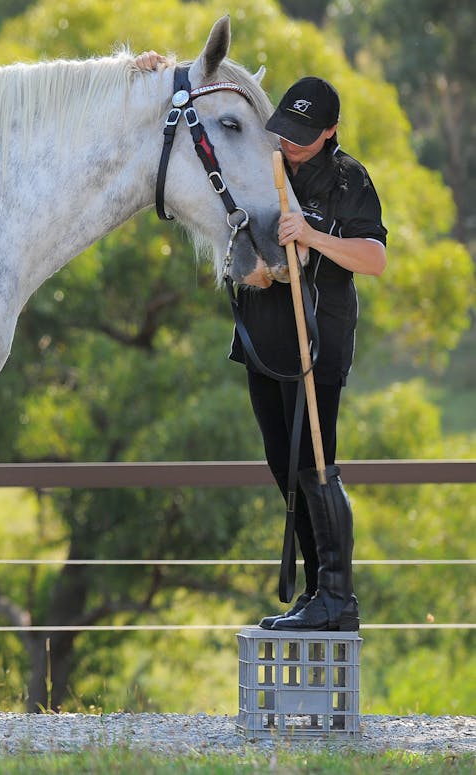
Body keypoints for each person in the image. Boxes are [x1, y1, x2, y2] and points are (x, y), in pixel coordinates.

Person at [134, 53, 387, 631]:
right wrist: (156, 71)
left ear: (329, 132)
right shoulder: (262, 158)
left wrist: (313, 237)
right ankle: (316, 590)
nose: (290, 146)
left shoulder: (349, 178)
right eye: (286, 134)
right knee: (283, 463)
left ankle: (338, 598)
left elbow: (374, 258)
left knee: (316, 461)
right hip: (262, 338)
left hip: (317, 338)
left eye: (303, 137)